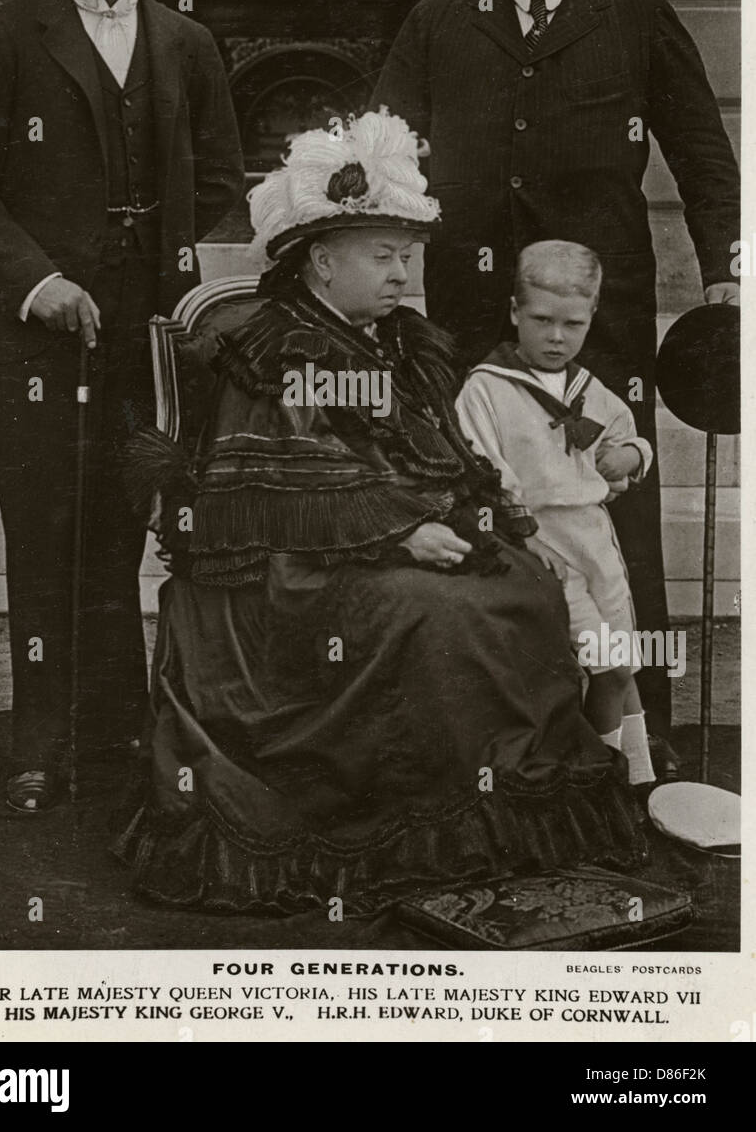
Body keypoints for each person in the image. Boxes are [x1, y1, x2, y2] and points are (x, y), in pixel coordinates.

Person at [113, 109, 644, 914]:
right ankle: (411, 817)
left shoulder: (402, 344)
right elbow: (274, 478)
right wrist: (399, 532)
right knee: (431, 611)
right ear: (323, 263)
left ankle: (492, 812)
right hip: (290, 569)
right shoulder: (279, 345)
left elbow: (443, 451)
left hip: (382, 539)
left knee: (523, 581)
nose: (403, 274)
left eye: (410, 258)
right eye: (385, 257)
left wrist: (471, 515)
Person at [371, 0, 740, 735]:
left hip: (599, 327)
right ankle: (498, 733)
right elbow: (380, 153)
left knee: (617, 520)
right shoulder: (439, 21)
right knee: (486, 514)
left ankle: (631, 739)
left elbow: (703, 160)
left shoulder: (639, 19)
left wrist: (735, 276)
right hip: (472, 324)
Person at [0, 0, 245, 812]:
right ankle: (39, 749)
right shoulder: (6, 36)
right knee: (44, 535)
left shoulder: (186, 42)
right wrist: (41, 282)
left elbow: (224, 185)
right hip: (43, 340)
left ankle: (116, 740)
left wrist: (166, 278)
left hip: (148, 338)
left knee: (123, 540)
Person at [455, 241, 656, 786]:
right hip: (543, 546)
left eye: (573, 324)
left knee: (624, 666)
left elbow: (631, 437)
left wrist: (630, 456)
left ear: (591, 319)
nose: (556, 337)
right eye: (541, 320)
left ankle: (639, 780)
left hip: (596, 546)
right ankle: (600, 783)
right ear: (515, 312)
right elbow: (482, 473)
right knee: (604, 667)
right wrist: (521, 534)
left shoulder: (589, 388)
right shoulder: (485, 390)